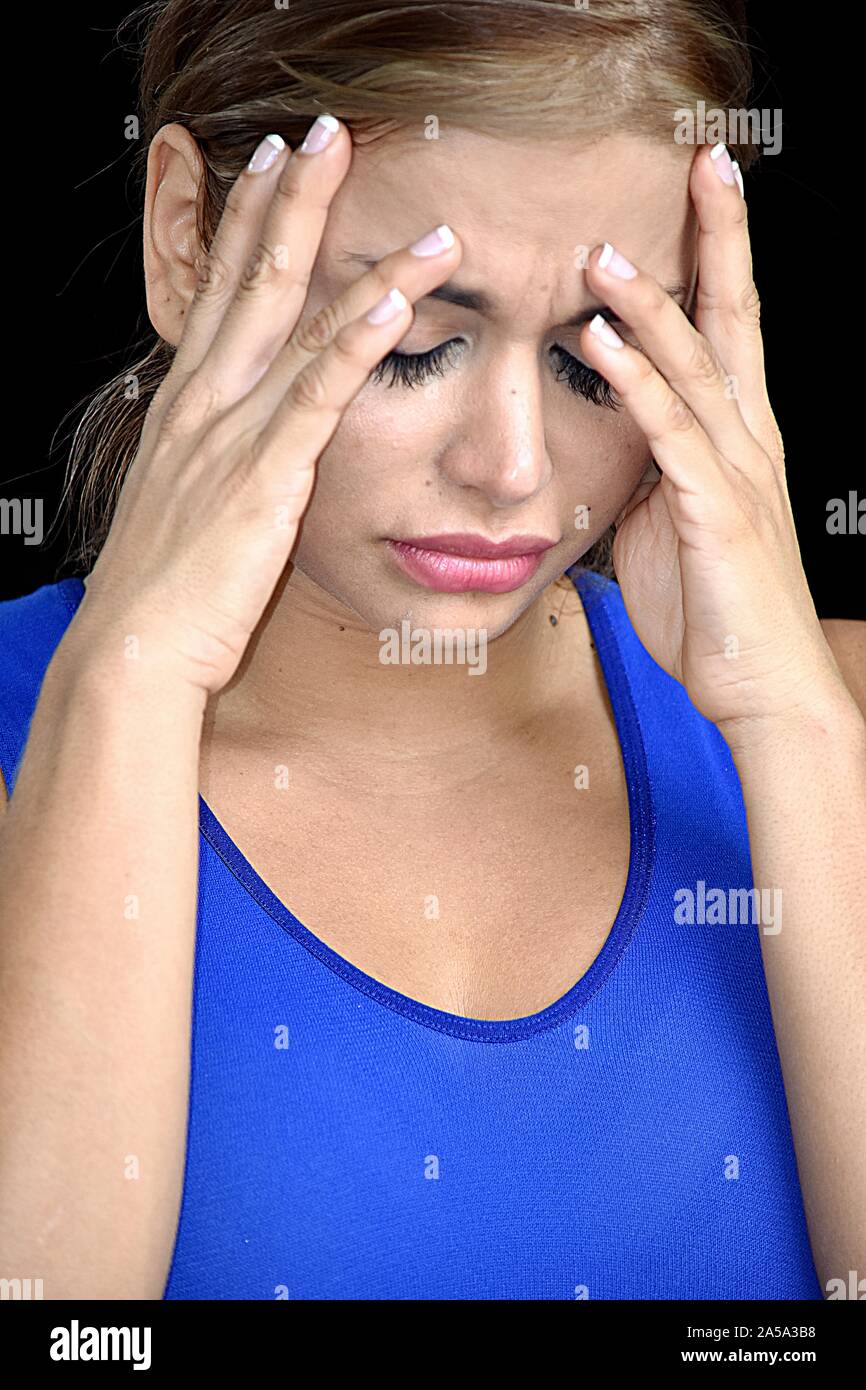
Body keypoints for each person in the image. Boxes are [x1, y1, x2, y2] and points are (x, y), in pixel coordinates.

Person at [1, 0, 864, 1301]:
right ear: (187, 240)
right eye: (411, 342)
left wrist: (790, 723)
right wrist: (131, 678)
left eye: (599, 360)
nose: (509, 468)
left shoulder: (828, 722)